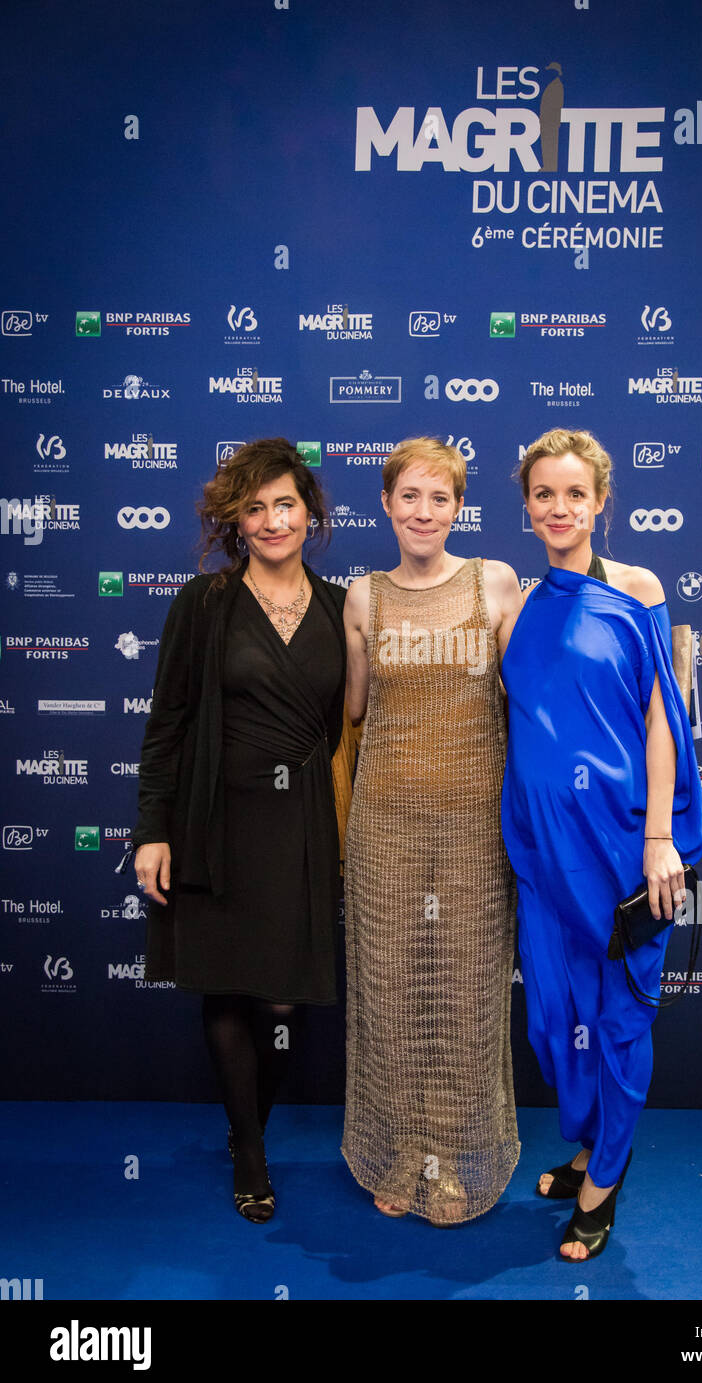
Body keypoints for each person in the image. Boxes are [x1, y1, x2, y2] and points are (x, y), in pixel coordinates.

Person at [500, 428, 702, 1260]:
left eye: (574, 494)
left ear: (600, 501)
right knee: (556, 1018)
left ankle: (604, 1182)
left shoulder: (638, 586)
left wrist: (660, 836)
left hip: (623, 844)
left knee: (617, 1018)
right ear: (527, 506)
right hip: (543, 850)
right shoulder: (514, 601)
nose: (559, 507)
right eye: (544, 494)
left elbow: (663, 715)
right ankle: (587, 1140)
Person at [132, 439, 347, 1223]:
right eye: (254, 508)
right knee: (227, 988)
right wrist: (152, 829)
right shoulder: (203, 605)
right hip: (218, 817)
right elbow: (169, 722)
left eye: (285, 504)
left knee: (285, 1003)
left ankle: (249, 1125)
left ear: (310, 511)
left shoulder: (340, 607)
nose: (271, 520)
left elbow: (341, 729)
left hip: (301, 825)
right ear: (236, 521)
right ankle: (249, 1152)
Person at [341, 437, 524, 1225]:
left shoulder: (495, 584)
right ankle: (395, 1151)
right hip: (384, 827)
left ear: (459, 507)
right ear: (386, 505)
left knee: (463, 995)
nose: (423, 512)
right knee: (388, 993)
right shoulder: (363, 597)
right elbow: (354, 714)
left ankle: (448, 1161)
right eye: (408, 497)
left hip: (475, 829)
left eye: (439, 498)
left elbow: (530, 705)